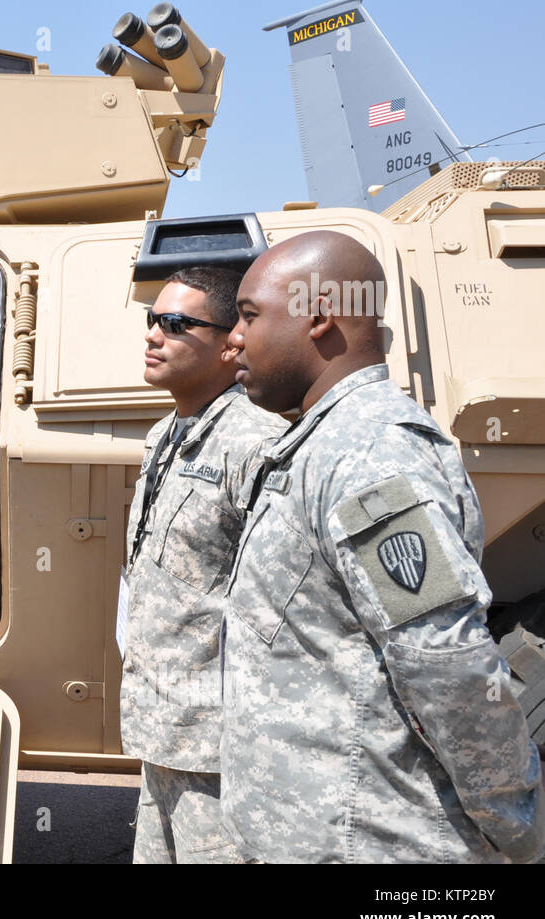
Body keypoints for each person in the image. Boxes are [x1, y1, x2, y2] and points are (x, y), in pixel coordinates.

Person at [222, 230, 545, 863]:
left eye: (250, 315)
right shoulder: (324, 442)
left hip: (373, 846)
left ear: (319, 318)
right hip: (317, 836)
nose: (233, 336)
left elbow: (444, 662)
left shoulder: (371, 454)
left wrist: (519, 827)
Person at [119, 267, 286, 863]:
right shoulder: (165, 433)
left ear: (229, 344)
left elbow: (281, 606)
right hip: (162, 727)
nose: (154, 336)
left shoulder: (258, 444)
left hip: (220, 746)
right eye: (152, 320)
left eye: (176, 324)